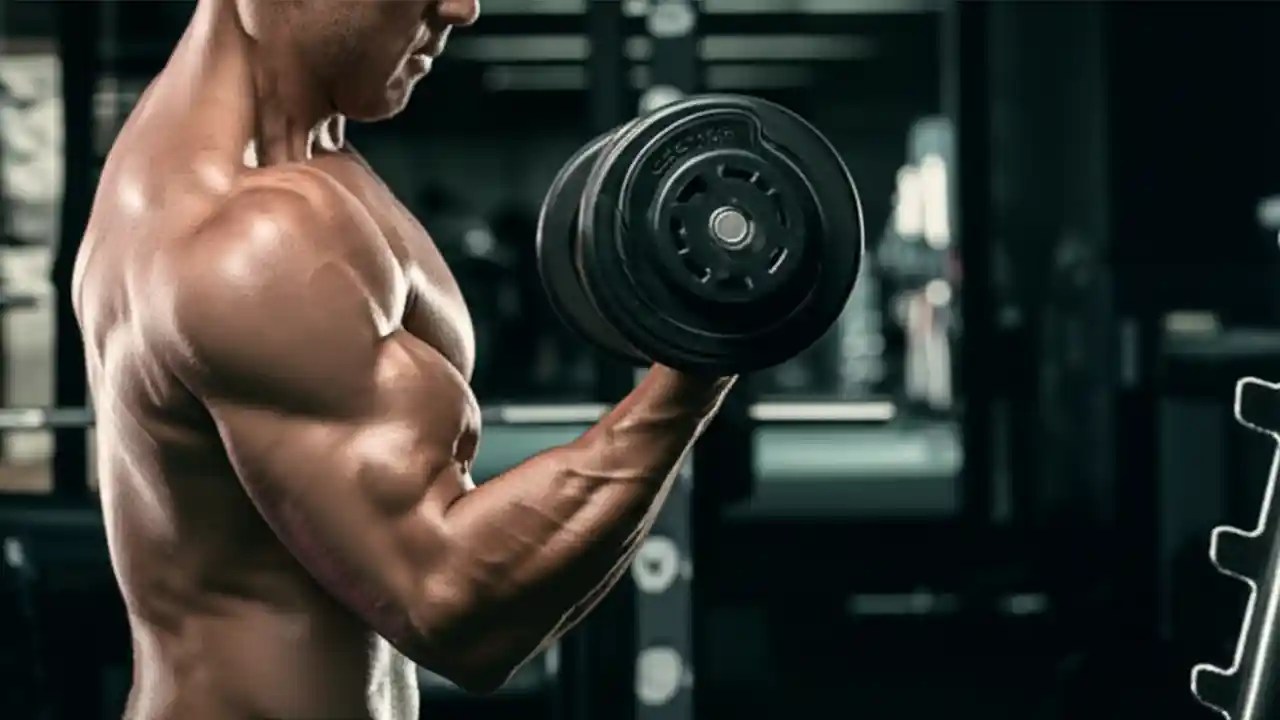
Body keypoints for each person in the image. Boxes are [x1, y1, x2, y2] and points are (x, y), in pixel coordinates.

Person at [70, 1, 735, 718]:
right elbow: (455, 610)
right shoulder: (248, 237)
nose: (461, 6)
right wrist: (693, 378)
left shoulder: (291, 168)